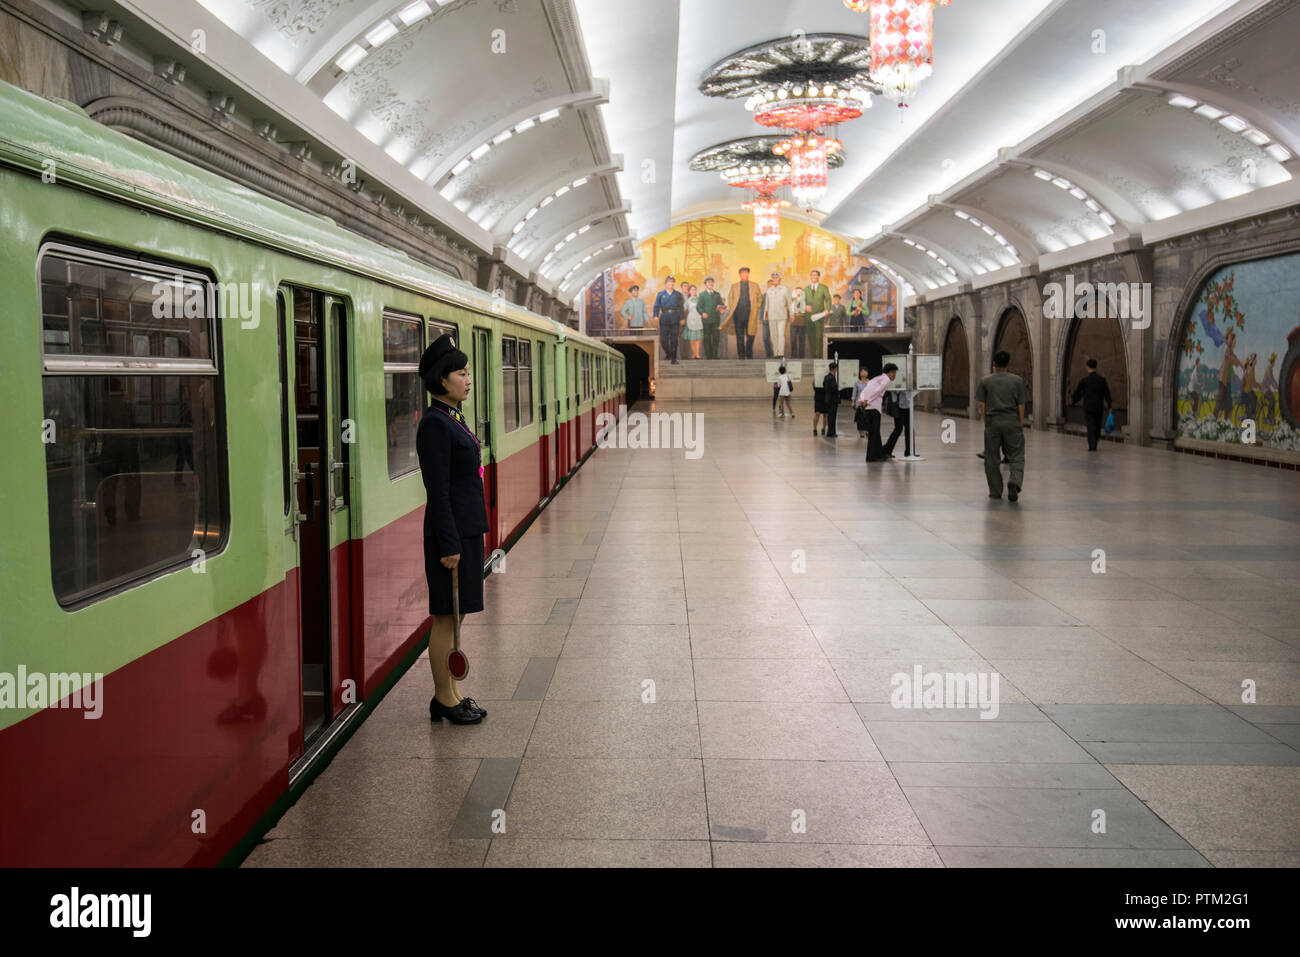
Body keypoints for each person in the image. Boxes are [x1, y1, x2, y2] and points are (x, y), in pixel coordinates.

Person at [417, 334, 490, 724]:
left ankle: (453, 692)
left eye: (467, 372)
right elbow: (438, 489)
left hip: (466, 530)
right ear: (442, 380)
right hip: (451, 536)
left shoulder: (452, 418)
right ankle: (444, 698)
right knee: (445, 616)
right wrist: (449, 543)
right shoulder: (433, 425)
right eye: (461, 373)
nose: (468, 378)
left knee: (456, 615)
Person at [976, 349, 1029, 502]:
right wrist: (1019, 423)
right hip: (1012, 420)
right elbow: (1021, 404)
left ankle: (995, 491)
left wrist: (987, 422)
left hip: (993, 422)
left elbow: (982, 405)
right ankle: (1015, 481)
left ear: (994, 364)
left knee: (992, 457)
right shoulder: (1017, 380)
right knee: (1017, 455)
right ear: (1008, 363)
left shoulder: (986, 381)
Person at [1070, 357, 1113, 451]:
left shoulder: (1084, 381)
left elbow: (1078, 393)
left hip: (1088, 407)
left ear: (1087, 367)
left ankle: (1092, 446)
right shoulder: (1102, 380)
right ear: (1096, 367)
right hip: (1098, 407)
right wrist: (1110, 406)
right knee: (1097, 426)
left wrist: (1073, 401)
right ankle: (1095, 442)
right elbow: (1107, 393)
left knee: (1090, 426)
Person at [856, 364, 897, 461]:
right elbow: (877, 391)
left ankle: (879, 454)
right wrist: (868, 401)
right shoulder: (886, 379)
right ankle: (871, 457)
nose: (894, 375)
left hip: (869, 408)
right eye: (894, 373)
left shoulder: (876, 378)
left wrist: (862, 400)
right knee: (874, 433)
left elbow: (865, 390)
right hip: (874, 408)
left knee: (874, 432)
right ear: (890, 372)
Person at [723, 267, 762, 359]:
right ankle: (741, 355)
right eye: (743, 273)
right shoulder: (734, 286)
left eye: (746, 273)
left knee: (751, 335)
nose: (745, 274)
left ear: (748, 274)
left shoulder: (755, 285)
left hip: (751, 314)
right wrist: (734, 308)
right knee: (739, 336)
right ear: (740, 275)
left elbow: (760, 298)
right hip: (738, 315)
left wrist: (756, 307)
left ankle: (749, 354)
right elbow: (730, 298)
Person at [653, 275, 685, 364]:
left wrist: (682, 318)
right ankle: (669, 353)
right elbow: (656, 306)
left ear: (674, 283)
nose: (671, 283)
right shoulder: (660, 294)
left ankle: (674, 359)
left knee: (674, 339)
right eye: (669, 282)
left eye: (672, 282)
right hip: (664, 317)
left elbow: (681, 307)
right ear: (665, 284)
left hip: (675, 317)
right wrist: (655, 315)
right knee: (663, 339)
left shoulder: (678, 294)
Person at [804, 269, 832, 359]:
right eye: (812, 275)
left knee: (819, 335)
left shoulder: (823, 287)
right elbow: (802, 301)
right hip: (808, 316)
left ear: (818, 277)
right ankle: (813, 355)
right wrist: (805, 307)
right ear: (810, 277)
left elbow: (828, 299)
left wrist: (827, 309)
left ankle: (819, 355)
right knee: (811, 336)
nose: (813, 277)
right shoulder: (806, 288)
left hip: (819, 315)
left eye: (815, 275)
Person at [696, 276, 725, 359]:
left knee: (716, 338)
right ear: (705, 284)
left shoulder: (717, 294)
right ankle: (709, 356)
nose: (710, 284)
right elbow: (698, 307)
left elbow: (721, 305)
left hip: (716, 320)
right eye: (708, 282)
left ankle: (715, 356)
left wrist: (722, 309)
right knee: (707, 338)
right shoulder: (702, 295)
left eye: (712, 282)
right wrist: (702, 313)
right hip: (706, 320)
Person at [766, 272, 792, 359]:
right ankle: (775, 353)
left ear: (780, 279)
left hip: (782, 315)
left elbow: (789, 302)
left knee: (781, 335)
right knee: (773, 335)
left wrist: (791, 313)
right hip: (771, 315)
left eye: (777, 277)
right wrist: (765, 314)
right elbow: (767, 304)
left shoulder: (785, 289)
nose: (775, 279)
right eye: (773, 277)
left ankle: (781, 353)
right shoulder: (769, 290)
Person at [882, 381, 912, 457]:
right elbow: (895, 391)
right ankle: (886, 450)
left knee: (910, 429)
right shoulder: (897, 378)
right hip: (899, 407)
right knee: (898, 428)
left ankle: (910, 451)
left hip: (908, 406)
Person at [683, 283, 703, 359]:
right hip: (691, 319)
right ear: (689, 291)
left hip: (698, 319)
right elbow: (684, 309)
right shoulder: (687, 301)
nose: (693, 291)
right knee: (692, 338)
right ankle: (694, 353)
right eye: (692, 289)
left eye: (695, 289)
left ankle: (697, 354)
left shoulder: (700, 299)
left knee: (698, 338)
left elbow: (703, 308)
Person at [822, 361, 841, 437]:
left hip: (827, 398)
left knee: (830, 416)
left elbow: (824, 386)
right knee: (832, 417)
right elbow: (834, 389)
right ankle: (831, 432)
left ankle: (830, 431)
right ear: (835, 369)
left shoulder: (826, 377)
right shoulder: (832, 378)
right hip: (833, 400)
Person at [851, 367, 871, 437]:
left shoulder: (869, 383)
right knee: (860, 418)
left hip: (867, 403)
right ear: (860, 373)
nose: (864, 373)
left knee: (867, 418)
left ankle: (867, 430)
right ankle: (861, 432)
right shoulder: (856, 383)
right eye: (862, 371)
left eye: (865, 371)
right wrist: (853, 401)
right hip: (859, 403)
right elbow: (854, 393)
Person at [760, 278, 775, 358]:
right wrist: (760, 318)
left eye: (772, 285)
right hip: (765, 320)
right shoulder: (763, 296)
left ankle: (776, 354)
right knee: (765, 338)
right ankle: (769, 354)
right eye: (769, 285)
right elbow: (761, 307)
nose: (770, 286)